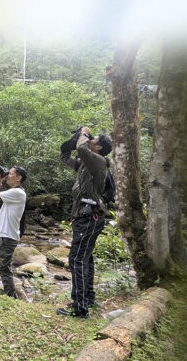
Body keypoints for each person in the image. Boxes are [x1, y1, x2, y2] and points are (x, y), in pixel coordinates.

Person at [57, 126, 112, 318]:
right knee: (85, 258)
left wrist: (83, 134)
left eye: (92, 140)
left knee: (77, 259)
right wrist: (71, 141)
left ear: (98, 148)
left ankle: (79, 307)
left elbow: (81, 148)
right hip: (85, 217)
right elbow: (65, 156)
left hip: (89, 218)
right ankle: (87, 299)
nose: (89, 140)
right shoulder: (85, 164)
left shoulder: (98, 161)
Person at [0, 163, 28, 299]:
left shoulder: (18, 192)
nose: (8, 176)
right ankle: (10, 294)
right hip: (5, 235)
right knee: (3, 266)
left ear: (18, 178)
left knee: (3, 267)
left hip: (7, 236)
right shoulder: (15, 193)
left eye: (10, 174)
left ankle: (10, 296)